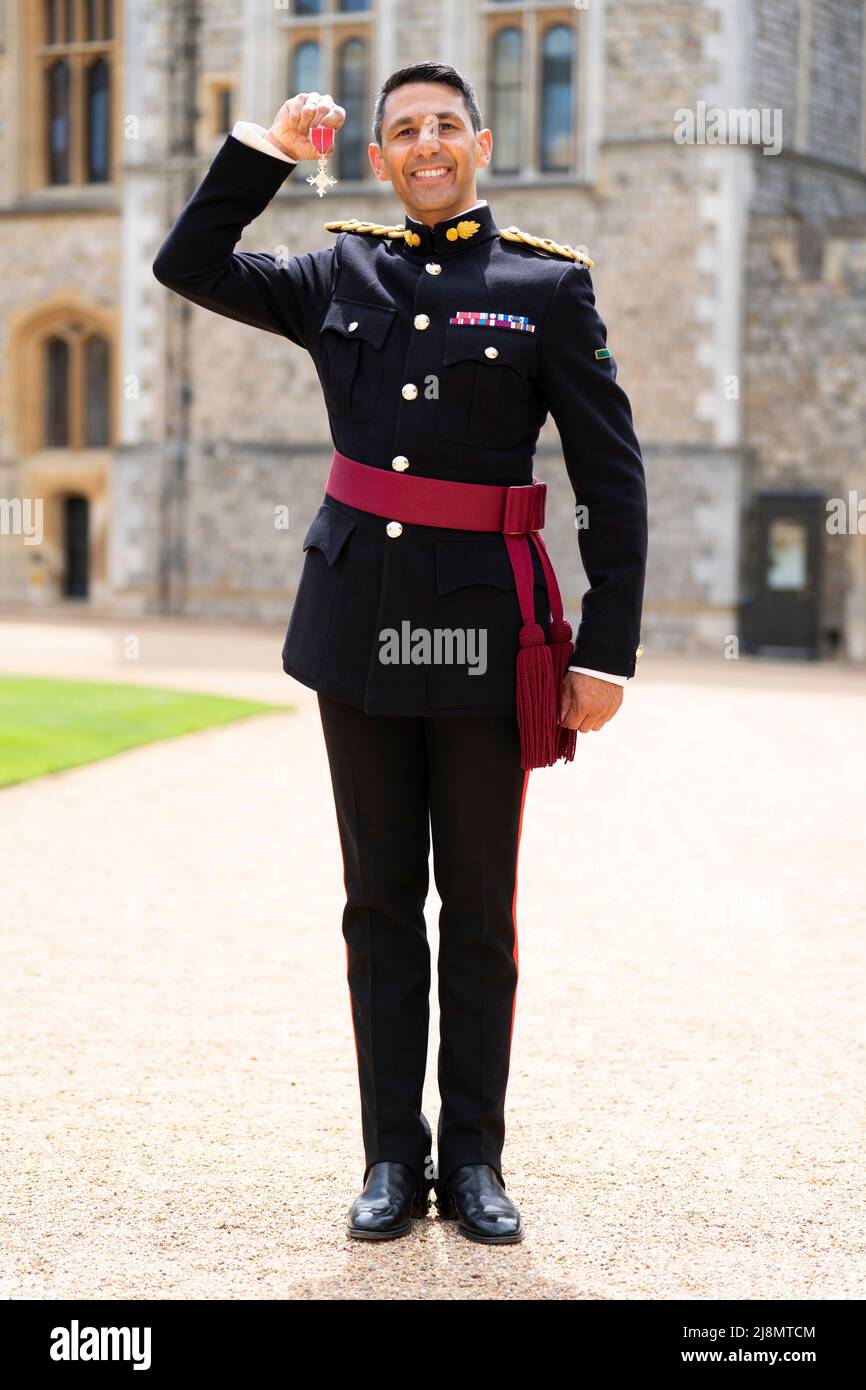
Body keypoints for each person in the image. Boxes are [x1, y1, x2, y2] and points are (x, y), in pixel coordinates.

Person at [152, 62, 648, 1245]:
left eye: (442, 128)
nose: (424, 146)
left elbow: (611, 481)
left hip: (489, 634)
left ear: (479, 143)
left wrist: (606, 652)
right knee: (378, 904)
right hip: (356, 626)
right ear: (377, 158)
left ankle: (473, 1161)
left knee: (477, 906)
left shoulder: (544, 286)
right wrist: (266, 149)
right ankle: (389, 1157)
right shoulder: (337, 269)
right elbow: (188, 264)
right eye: (401, 133)